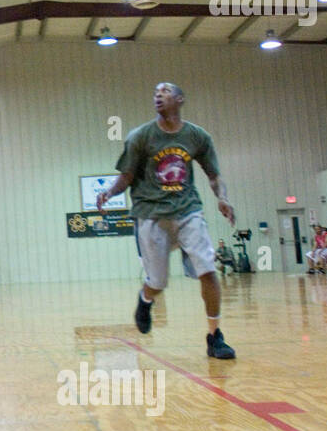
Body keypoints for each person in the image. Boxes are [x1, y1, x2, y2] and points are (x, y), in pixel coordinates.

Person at [96, 82, 237, 360]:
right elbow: (126, 176)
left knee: (208, 269)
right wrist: (109, 193)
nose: (158, 95)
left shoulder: (197, 136)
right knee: (158, 282)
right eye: (155, 93)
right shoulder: (141, 136)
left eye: (165, 92)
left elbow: (213, 175)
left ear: (180, 99)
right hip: (150, 213)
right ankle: (145, 299)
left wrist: (223, 198)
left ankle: (214, 336)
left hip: (188, 210)